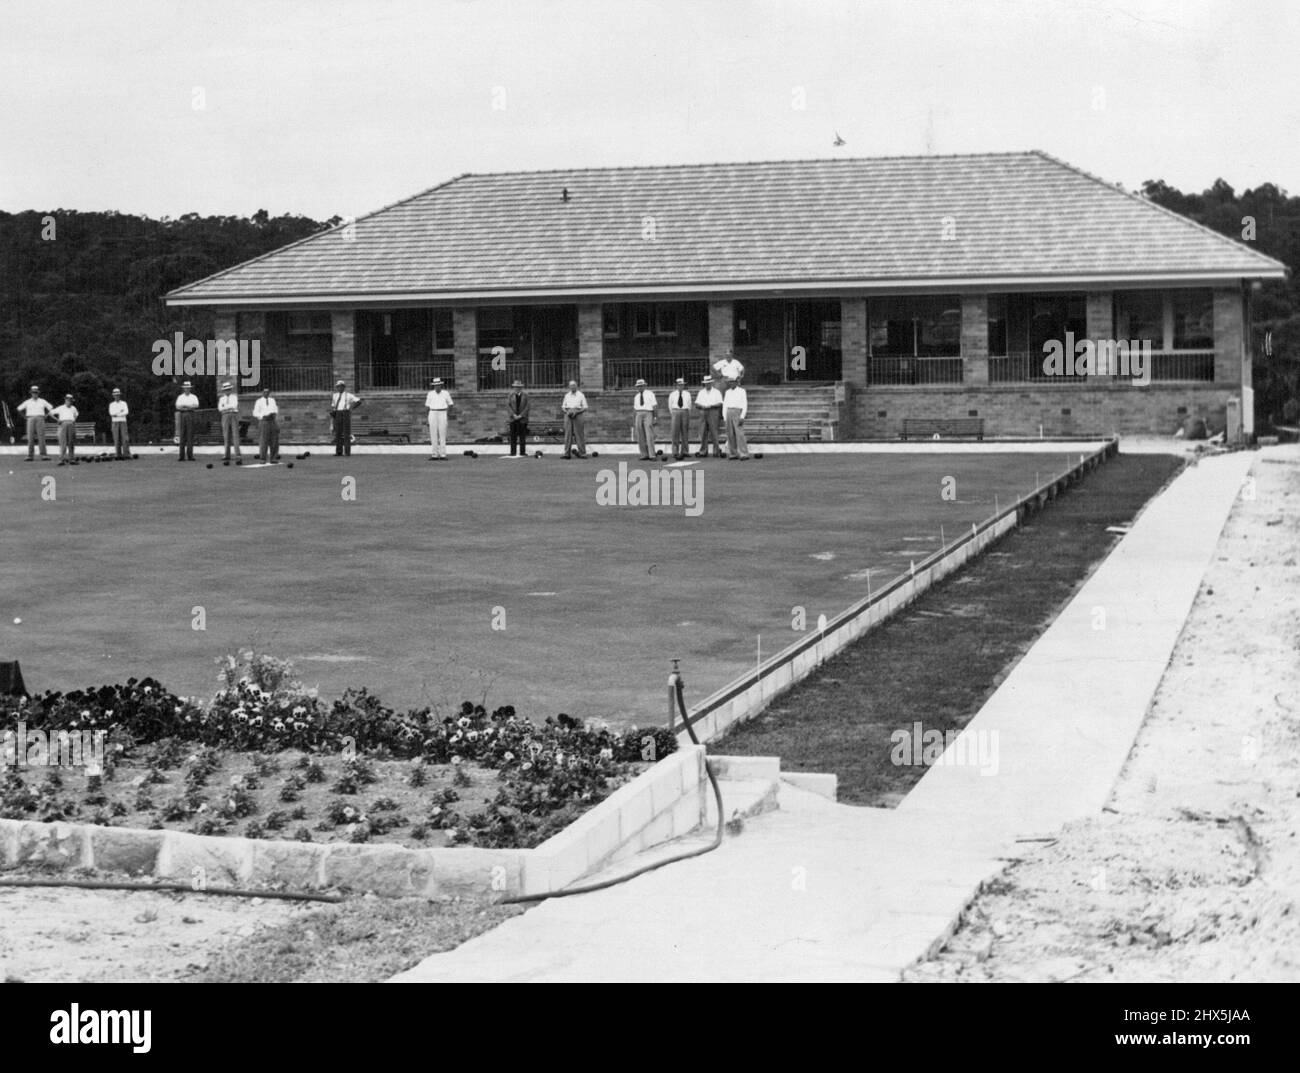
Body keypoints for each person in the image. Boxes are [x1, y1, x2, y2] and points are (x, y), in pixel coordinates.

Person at [17, 385, 52, 462]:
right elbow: (19, 409)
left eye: (36, 392)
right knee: (30, 437)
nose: (34, 394)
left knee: (41, 437)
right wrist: (24, 417)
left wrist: (46, 415)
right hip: (30, 418)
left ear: (38, 393)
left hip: (40, 418)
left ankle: (44, 455)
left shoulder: (42, 401)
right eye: (33, 393)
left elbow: (51, 407)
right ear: (31, 393)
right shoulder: (27, 402)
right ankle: (30, 455)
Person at [424, 377, 454, 461]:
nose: (437, 387)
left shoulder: (445, 393)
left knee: (442, 434)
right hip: (432, 412)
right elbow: (427, 406)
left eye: (438, 385)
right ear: (434, 386)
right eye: (436, 385)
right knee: (433, 434)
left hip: (442, 412)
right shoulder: (430, 394)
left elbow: (451, 404)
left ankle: (443, 454)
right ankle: (434, 454)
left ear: (441, 385)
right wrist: (427, 418)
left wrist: (447, 413)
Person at [330, 380, 362, 456]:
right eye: (337, 386)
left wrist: (351, 408)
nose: (339, 388)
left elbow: (359, 401)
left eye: (340, 386)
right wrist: (333, 415)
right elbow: (333, 406)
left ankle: (347, 452)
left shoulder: (349, 395)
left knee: (346, 433)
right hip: (337, 413)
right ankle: (338, 452)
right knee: (338, 433)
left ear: (344, 387)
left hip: (345, 413)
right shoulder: (335, 395)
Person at [695, 374, 724, 458]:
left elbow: (720, 403)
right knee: (703, 432)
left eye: (709, 383)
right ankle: (703, 451)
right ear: (704, 384)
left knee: (714, 432)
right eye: (706, 383)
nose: (707, 384)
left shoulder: (716, 392)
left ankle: (716, 451)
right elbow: (696, 403)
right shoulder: (701, 392)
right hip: (703, 411)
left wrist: (711, 406)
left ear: (711, 383)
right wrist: (702, 406)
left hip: (713, 411)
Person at [560, 380, 588, 459]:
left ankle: (582, 453)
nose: (572, 387)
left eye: (574, 385)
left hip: (578, 415)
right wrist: (567, 411)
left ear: (576, 386)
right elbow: (563, 407)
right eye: (571, 386)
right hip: (568, 415)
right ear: (569, 387)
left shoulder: (581, 395)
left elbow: (585, 407)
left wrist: (577, 412)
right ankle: (567, 454)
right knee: (568, 435)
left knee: (579, 434)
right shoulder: (567, 395)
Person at [723, 378, 750, 460]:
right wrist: (724, 416)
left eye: (733, 382)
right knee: (730, 434)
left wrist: (742, 416)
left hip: (737, 411)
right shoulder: (727, 392)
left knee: (739, 433)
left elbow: (745, 404)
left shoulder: (742, 391)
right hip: (729, 411)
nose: (731, 383)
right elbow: (725, 404)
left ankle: (743, 453)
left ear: (736, 382)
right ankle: (733, 453)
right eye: (730, 382)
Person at [217, 381, 242, 465]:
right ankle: (226, 455)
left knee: (235, 435)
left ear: (230, 390)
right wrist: (226, 408)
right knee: (226, 435)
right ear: (224, 391)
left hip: (233, 414)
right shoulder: (222, 399)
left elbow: (234, 405)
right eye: (226, 390)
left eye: (228, 389)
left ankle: (237, 455)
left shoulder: (234, 397)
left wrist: (225, 407)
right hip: (225, 416)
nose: (227, 391)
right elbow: (220, 408)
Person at [667, 377, 692, 461]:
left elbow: (689, 405)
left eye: (682, 385)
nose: (681, 386)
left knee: (685, 431)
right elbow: (670, 405)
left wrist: (686, 412)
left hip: (685, 411)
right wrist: (674, 412)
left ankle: (685, 451)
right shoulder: (672, 394)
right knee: (675, 432)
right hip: (675, 411)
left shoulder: (687, 394)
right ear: (676, 386)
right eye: (679, 385)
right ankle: (675, 451)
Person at [252, 387, 280, 462]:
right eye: (264, 392)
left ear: (269, 393)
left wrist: (274, 414)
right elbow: (255, 413)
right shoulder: (259, 401)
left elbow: (275, 409)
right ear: (262, 392)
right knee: (263, 440)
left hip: (272, 420)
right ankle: (263, 458)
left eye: (267, 392)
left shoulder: (272, 400)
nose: (266, 393)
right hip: (264, 421)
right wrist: (262, 416)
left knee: (274, 440)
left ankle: (273, 457)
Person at [632, 378, 657, 460]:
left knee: (649, 434)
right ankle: (644, 454)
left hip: (648, 413)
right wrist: (634, 419)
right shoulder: (636, 396)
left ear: (645, 386)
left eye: (641, 386)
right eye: (638, 386)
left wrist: (655, 417)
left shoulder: (650, 393)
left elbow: (654, 406)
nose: (640, 388)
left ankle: (652, 455)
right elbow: (635, 409)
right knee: (640, 435)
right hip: (638, 414)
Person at [51, 394, 79, 466]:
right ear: (65, 400)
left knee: (71, 442)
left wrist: (74, 420)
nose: (69, 401)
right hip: (63, 423)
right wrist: (57, 420)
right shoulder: (61, 408)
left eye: (70, 400)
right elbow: (51, 413)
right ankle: (61, 459)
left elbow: (76, 415)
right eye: (67, 400)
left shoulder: (73, 408)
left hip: (71, 423)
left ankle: (71, 459)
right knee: (63, 442)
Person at [175, 380, 200, 461]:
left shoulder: (193, 397)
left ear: (190, 389)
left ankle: (190, 455)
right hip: (182, 414)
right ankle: (181, 456)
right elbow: (178, 406)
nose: (187, 389)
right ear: (184, 389)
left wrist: (186, 406)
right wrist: (188, 406)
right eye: (185, 388)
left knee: (190, 435)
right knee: (182, 435)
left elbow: (196, 405)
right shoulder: (180, 397)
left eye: (188, 388)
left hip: (190, 414)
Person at [506, 379, 530, 457]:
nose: (517, 388)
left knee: (522, 436)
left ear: (521, 387)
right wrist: (513, 415)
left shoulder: (526, 395)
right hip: (513, 419)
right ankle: (513, 452)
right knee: (513, 436)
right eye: (515, 387)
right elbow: (508, 406)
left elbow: (528, 406)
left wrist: (521, 415)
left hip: (522, 419)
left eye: (518, 387)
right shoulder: (510, 395)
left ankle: (522, 452)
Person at [108, 388, 130, 459]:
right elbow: (111, 413)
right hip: (115, 422)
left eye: (118, 395)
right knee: (116, 438)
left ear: (119, 395)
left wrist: (117, 414)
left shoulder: (124, 403)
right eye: (115, 395)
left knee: (125, 438)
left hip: (123, 421)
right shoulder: (111, 404)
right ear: (113, 396)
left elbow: (126, 412)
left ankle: (126, 454)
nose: (116, 396)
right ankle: (118, 455)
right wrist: (120, 412)